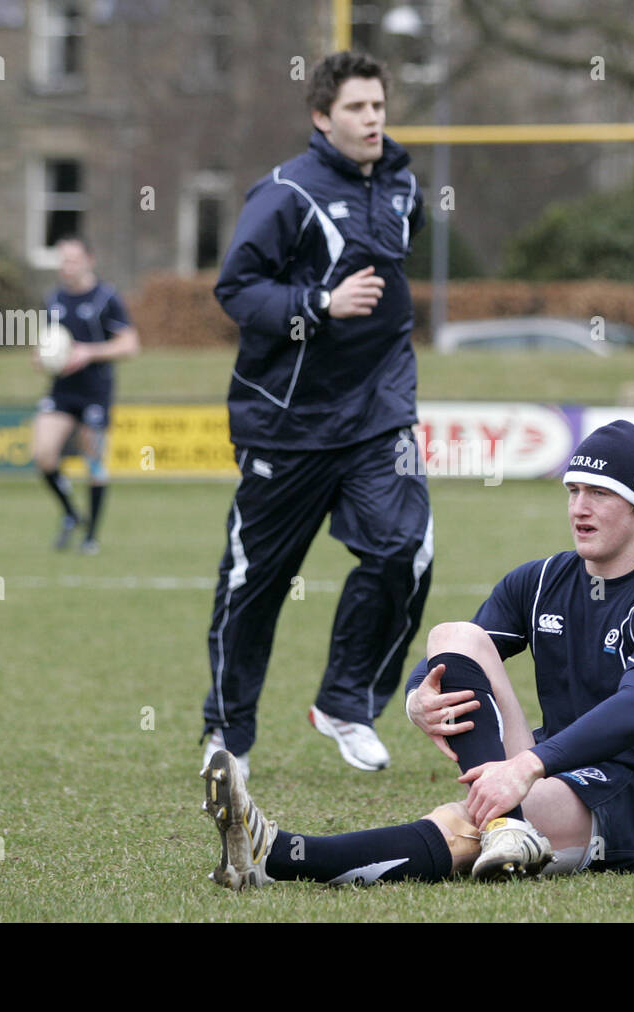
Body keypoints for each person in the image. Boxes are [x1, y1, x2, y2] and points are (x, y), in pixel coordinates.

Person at [200, 420, 634, 887]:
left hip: (631, 797)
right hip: (547, 767)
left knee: (462, 823)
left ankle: (278, 855)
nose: (579, 507)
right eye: (574, 490)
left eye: (600, 493)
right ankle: (508, 828)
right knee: (455, 634)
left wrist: (528, 766)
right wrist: (415, 699)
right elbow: (448, 661)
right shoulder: (540, 581)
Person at [200, 51, 431, 780]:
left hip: (378, 414)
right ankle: (226, 735)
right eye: (356, 108)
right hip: (288, 425)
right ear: (321, 118)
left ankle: (346, 702)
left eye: (378, 105)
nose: (372, 119)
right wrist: (317, 307)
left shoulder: (403, 185)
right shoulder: (283, 194)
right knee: (255, 584)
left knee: (404, 551)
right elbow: (236, 290)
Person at [31, 236, 140, 554]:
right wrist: (41, 357)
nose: (67, 266)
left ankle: (91, 536)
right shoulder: (52, 299)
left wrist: (88, 353)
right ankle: (70, 513)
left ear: (89, 260)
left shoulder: (107, 298)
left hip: (95, 390)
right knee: (43, 454)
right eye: (62, 260)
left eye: (73, 260)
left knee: (93, 463)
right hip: (62, 390)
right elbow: (46, 344)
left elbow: (130, 345)